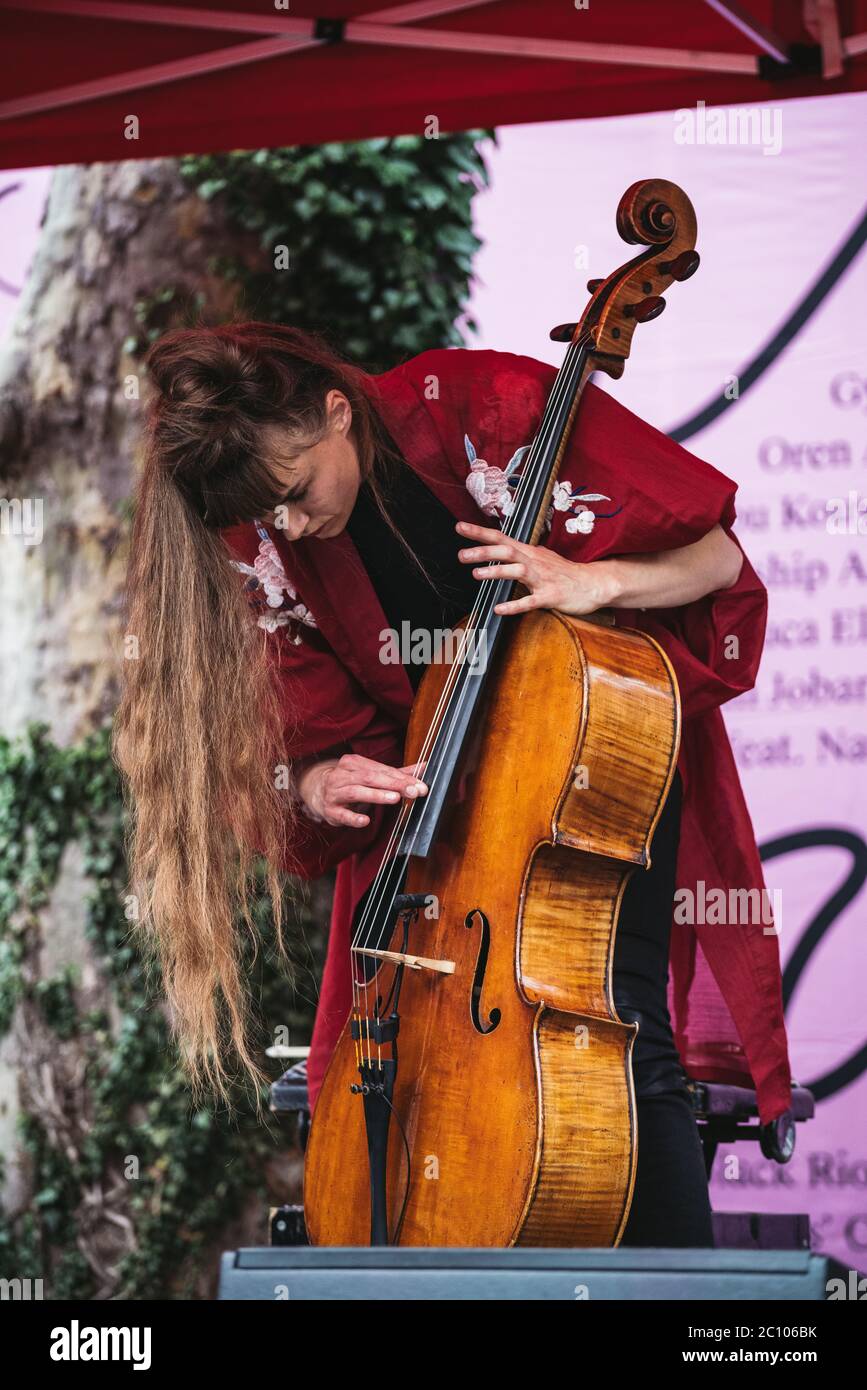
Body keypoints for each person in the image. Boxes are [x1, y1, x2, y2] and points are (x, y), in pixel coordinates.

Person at [114, 321, 793, 1247]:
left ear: (337, 412)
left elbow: (717, 558)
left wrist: (594, 584)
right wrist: (314, 782)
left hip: (589, 769)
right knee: (421, 1059)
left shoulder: (489, 408)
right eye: (269, 516)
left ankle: (693, 1313)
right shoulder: (264, 521)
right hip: (442, 826)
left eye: (297, 493)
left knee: (618, 1026)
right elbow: (290, 737)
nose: (291, 527)